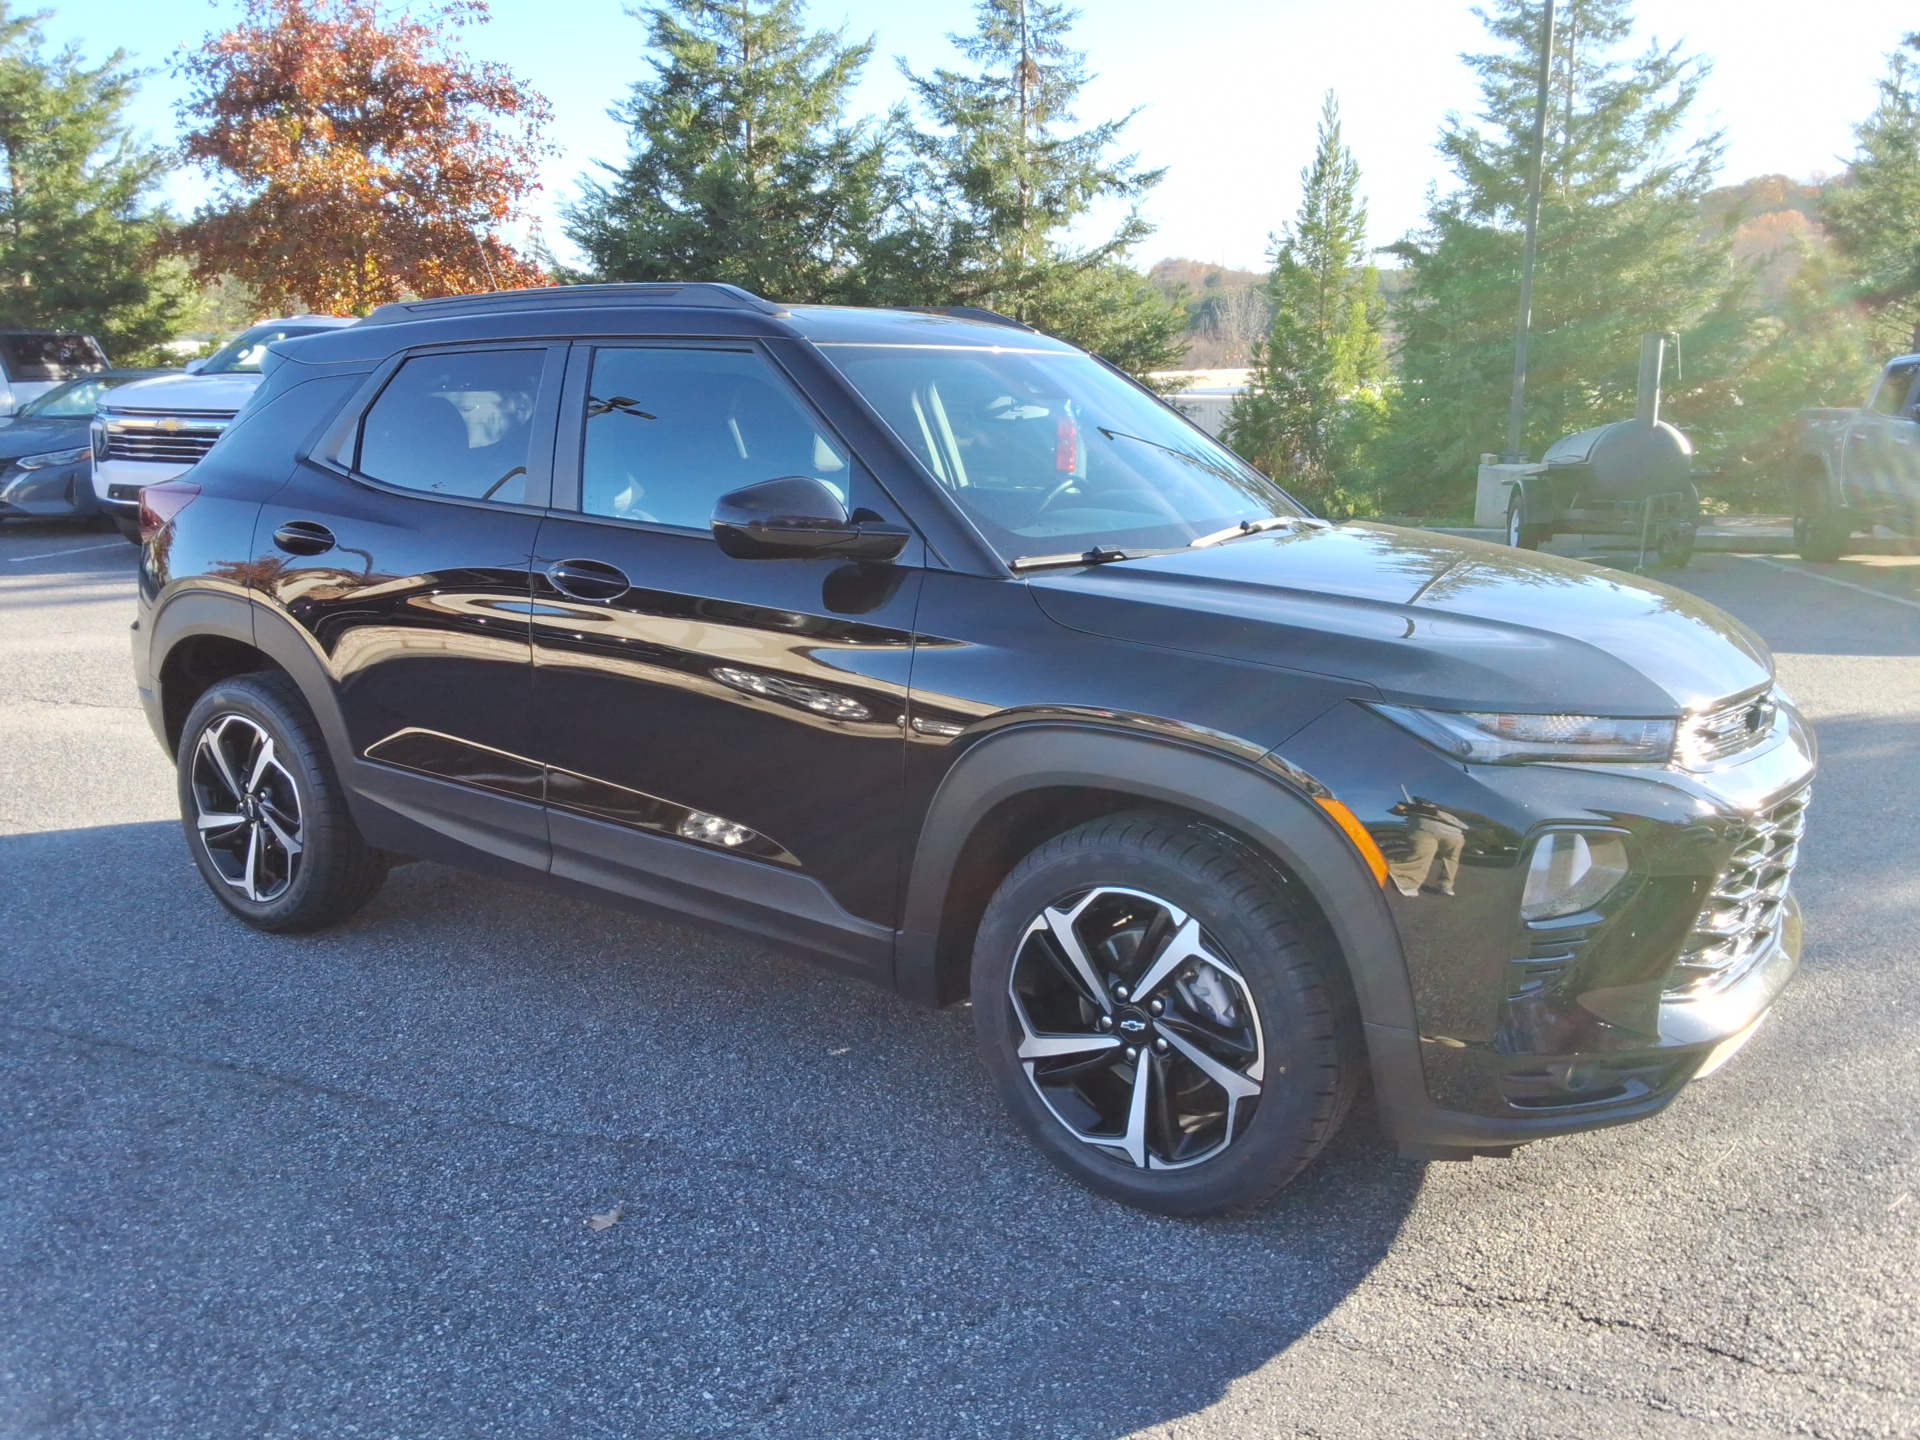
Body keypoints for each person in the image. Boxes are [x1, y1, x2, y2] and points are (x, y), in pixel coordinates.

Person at [1387, 793, 1467, 898]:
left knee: (1452, 859)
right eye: (1423, 803)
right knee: (1422, 855)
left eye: (1427, 803)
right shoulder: (1413, 810)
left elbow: (1464, 824)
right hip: (1425, 832)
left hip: (1454, 834)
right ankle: (1408, 881)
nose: (1426, 805)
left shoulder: (1446, 812)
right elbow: (1395, 811)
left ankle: (1446, 885)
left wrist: (1436, 811)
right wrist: (1399, 808)